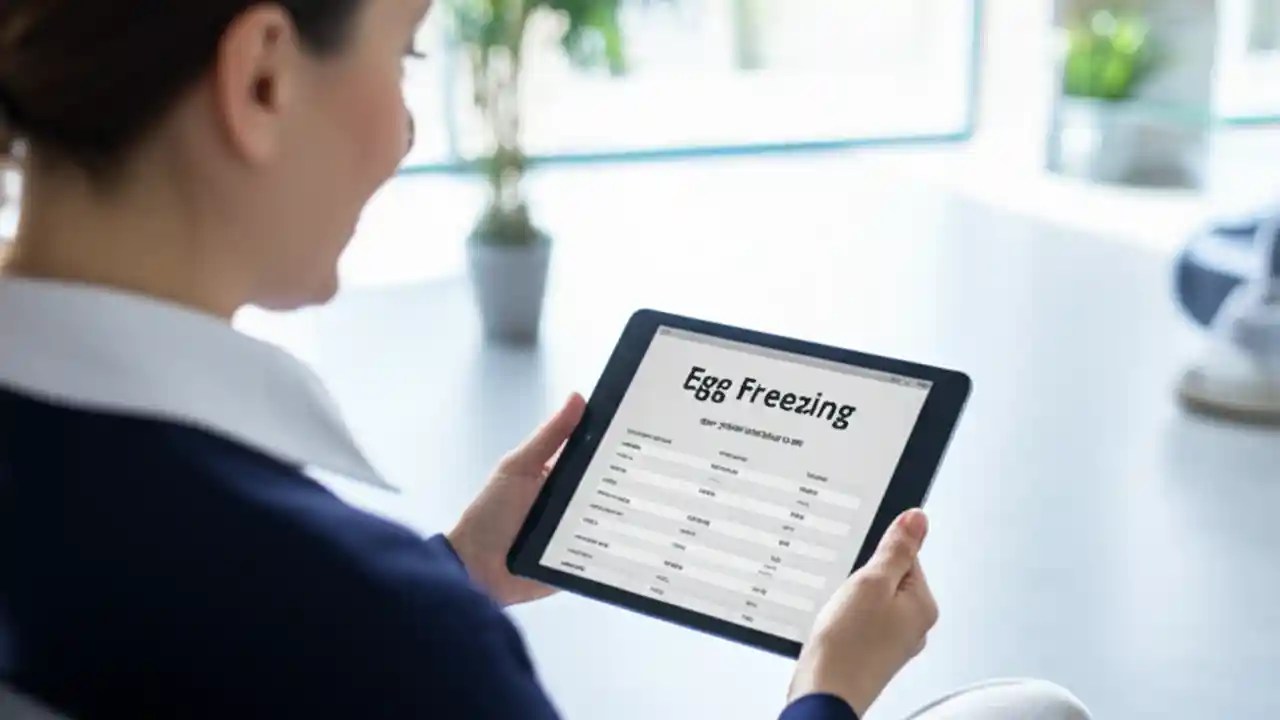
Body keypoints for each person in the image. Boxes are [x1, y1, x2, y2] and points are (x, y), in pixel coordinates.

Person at [0, 1, 1092, 718]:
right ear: (264, 81)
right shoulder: (396, 641)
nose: (406, 131)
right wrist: (828, 691)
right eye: (407, 53)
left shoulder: (342, 598)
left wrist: (456, 566)